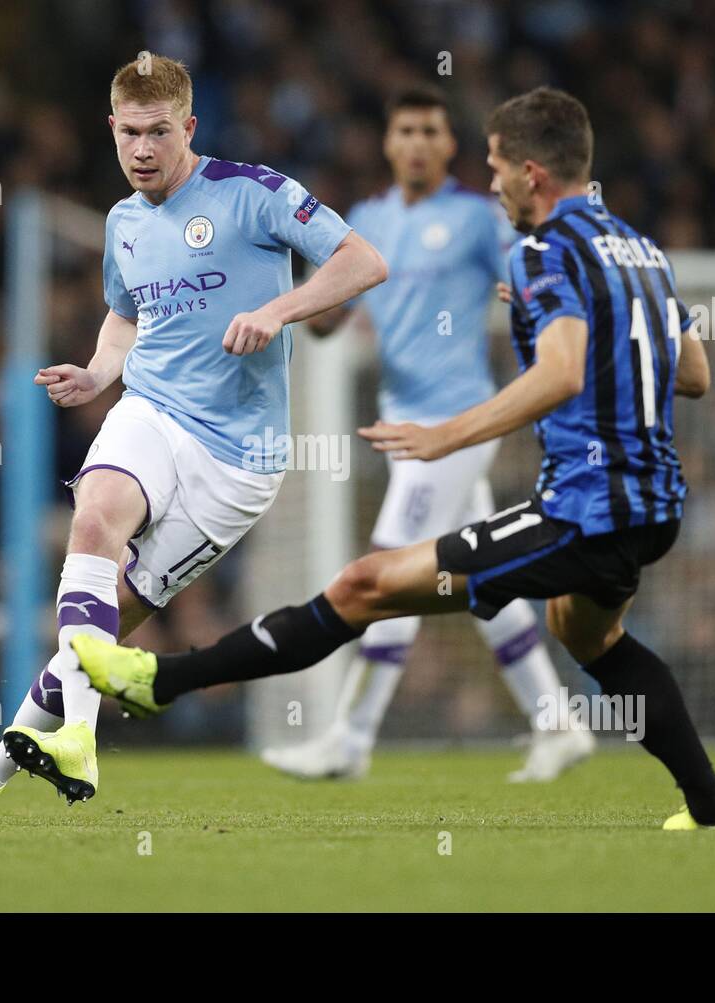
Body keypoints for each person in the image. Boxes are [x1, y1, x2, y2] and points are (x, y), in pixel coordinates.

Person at [73, 87, 715, 831]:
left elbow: (561, 371)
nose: (489, 183)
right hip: (654, 501)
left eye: (497, 167)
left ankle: (170, 681)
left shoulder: (538, 248)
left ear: (533, 173)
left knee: (368, 582)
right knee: (583, 632)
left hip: (577, 499)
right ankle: (707, 805)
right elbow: (692, 374)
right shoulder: (639, 248)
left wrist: (450, 434)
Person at [0, 54, 386, 825]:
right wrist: (98, 373)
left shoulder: (252, 194)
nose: (144, 150)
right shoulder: (122, 223)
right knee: (94, 516)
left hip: (237, 459)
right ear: (113, 130)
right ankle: (79, 741)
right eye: (130, 133)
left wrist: (280, 311)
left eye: (160, 132)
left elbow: (365, 260)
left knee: (106, 625)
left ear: (189, 127)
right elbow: (126, 316)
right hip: (152, 407)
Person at [266, 85, 592, 783]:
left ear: (450, 145)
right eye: (404, 129)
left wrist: (525, 290)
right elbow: (328, 318)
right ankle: (557, 722)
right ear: (388, 143)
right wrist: (302, 302)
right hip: (402, 418)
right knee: (483, 581)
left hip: (455, 421)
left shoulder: (478, 218)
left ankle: (350, 739)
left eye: (429, 130)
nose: (416, 141)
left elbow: (532, 260)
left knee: (388, 572)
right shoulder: (367, 218)